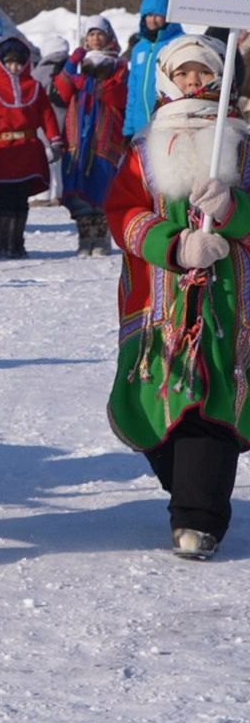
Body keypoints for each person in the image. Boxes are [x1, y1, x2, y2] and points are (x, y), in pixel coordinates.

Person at [106, 34, 250, 560]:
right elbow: (123, 214)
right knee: (155, 409)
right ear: (167, 79)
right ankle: (192, 492)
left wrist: (235, 210)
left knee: (210, 403)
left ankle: (198, 519)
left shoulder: (240, 142)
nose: (194, 82)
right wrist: (176, 245)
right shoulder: (144, 149)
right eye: (184, 73)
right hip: (158, 305)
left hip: (228, 308)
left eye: (204, 73)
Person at [0, 37, 58, 259]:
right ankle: (3, 243)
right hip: (1, 152)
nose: (14, 67)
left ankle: (17, 243)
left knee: (20, 199)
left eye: (19, 63)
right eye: (10, 63)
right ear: (2, 64)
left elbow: (47, 116)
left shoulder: (35, 88)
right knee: (4, 198)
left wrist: (55, 139)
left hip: (27, 151)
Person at [53, 18, 127, 255]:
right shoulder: (79, 64)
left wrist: (93, 86)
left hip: (104, 134)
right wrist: (71, 64)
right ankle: (85, 237)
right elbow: (62, 92)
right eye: (91, 34)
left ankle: (102, 237)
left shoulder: (119, 64)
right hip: (77, 136)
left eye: (100, 34)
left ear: (108, 36)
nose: (96, 39)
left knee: (103, 183)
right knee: (78, 186)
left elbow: (120, 95)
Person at [124, 0, 184, 137]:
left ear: (169, 16)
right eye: (148, 15)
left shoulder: (178, 43)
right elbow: (133, 89)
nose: (152, 20)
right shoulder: (139, 48)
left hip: (167, 123)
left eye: (158, 15)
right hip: (140, 125)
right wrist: (129, 127)